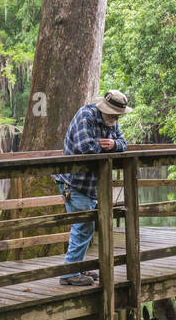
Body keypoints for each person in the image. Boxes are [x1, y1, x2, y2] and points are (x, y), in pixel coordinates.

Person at [52, 90, 130, 286]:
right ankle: (69, 273)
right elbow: (85, 147)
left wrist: (113, 144)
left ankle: (77, 267)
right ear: (103, 108)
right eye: (112, 114)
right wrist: (103, 146)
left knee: (86, 227)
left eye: (118, 115)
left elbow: (124, 143)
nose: (115, 118)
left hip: (92, 185)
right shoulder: (85, 116)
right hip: (74, 182)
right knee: (82, 227)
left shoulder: (111, 121)